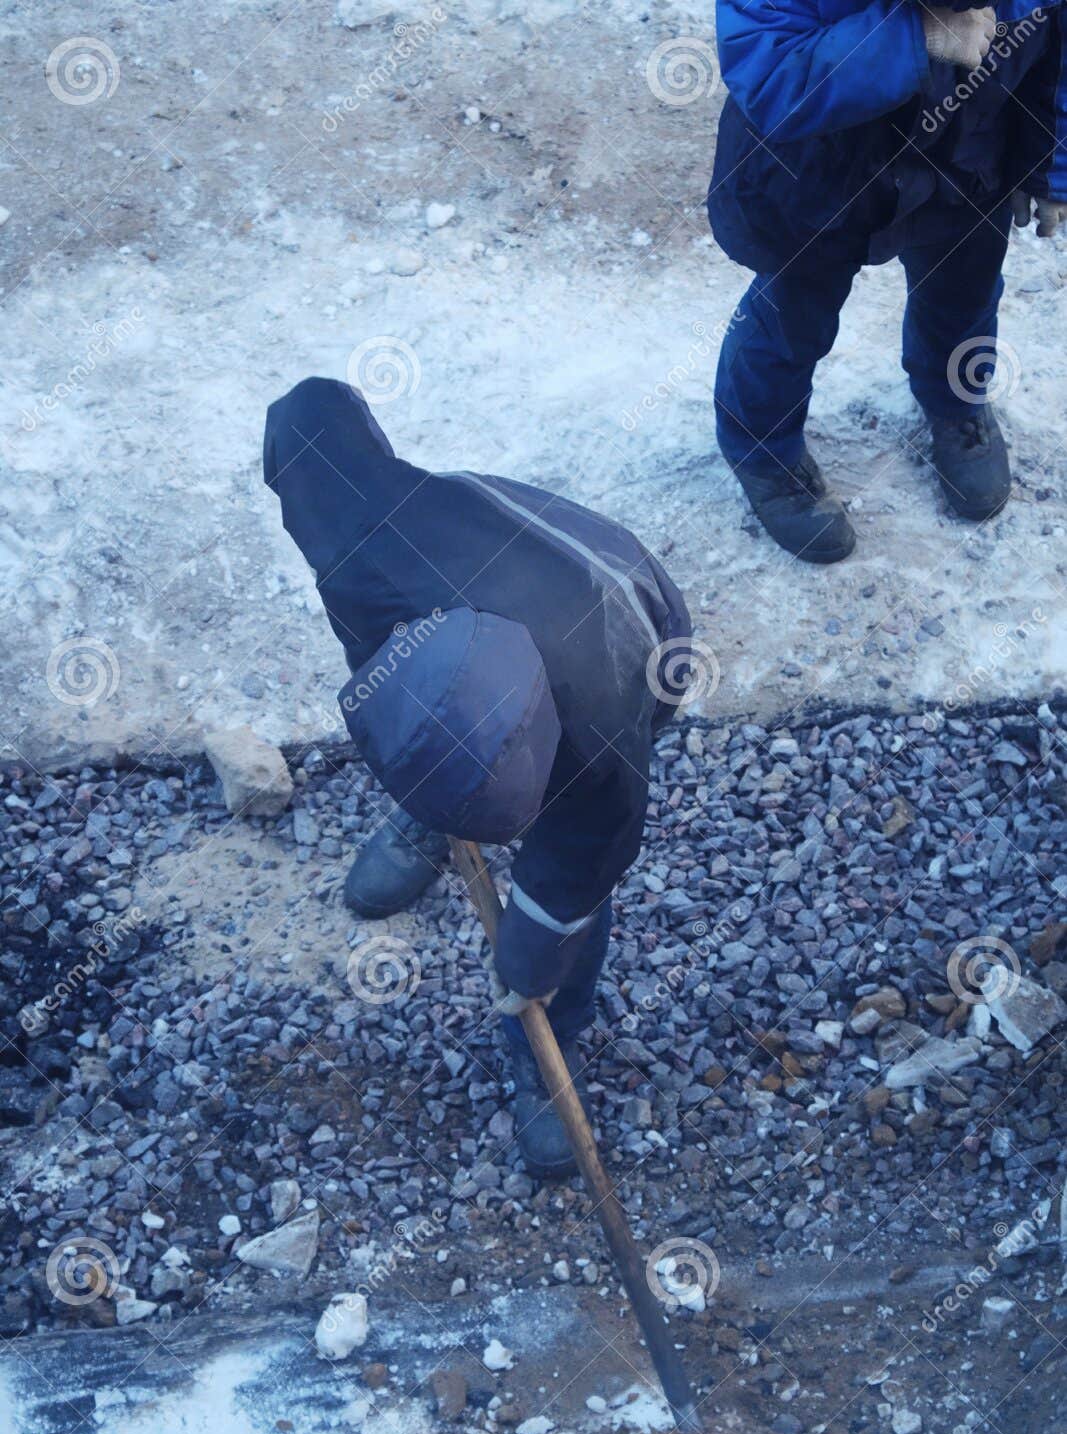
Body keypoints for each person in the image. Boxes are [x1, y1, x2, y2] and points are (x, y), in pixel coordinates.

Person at [263, 377, 692, 1178]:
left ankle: (548, 1038)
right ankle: (434, 808)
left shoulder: (600, 744)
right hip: (485, 560)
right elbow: (309, 425)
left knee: (559, 916)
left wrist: (528, 968)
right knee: (441, 738)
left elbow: (575, 878)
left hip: (630, 614)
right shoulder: (371, 545)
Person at [707, 1, 1067, 561]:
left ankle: (956, 404)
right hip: (817, 172)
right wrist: (912, 37)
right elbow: (768, 71)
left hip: (972, 156)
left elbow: (1060, 47)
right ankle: (761, 446)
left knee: (963, 299)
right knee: (789, 320)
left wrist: (1053, 166)